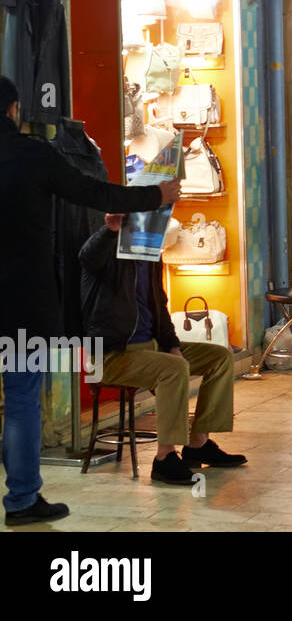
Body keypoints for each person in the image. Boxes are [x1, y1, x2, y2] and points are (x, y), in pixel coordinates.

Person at [0, 75, 181, 525]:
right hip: (23, 302)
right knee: (22, 400)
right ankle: (21, 501)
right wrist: (154, 194)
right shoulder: (33, 155)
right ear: (13, 110)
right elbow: (94, 193)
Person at [80, 215, 247, 485]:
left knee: (220, 357)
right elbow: (87, 257)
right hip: (109, 354)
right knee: (173, 369)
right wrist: (109, 230)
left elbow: (160, 308)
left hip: (153, 348)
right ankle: (164, 458)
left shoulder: (151, 258)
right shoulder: (108, 254)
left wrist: (172, 345)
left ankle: (198, 442)